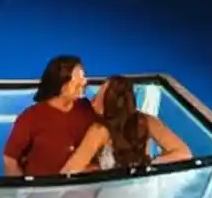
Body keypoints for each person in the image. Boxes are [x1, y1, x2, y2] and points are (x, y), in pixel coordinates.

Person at [59, 75, 191, 174]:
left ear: (106, 106)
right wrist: (148, 167)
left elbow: (70, 172)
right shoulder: (147, 122)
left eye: (96, 98)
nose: (92, 103)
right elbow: (183, 153)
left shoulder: (99, 131)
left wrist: (98, 170)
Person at [2, 55, 97, 176]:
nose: (84, 82)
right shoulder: (31, 117)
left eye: (84, 76)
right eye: (79, 77)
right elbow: (10, 159)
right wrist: (23, 190)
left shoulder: (87, 110)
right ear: (62, 83)